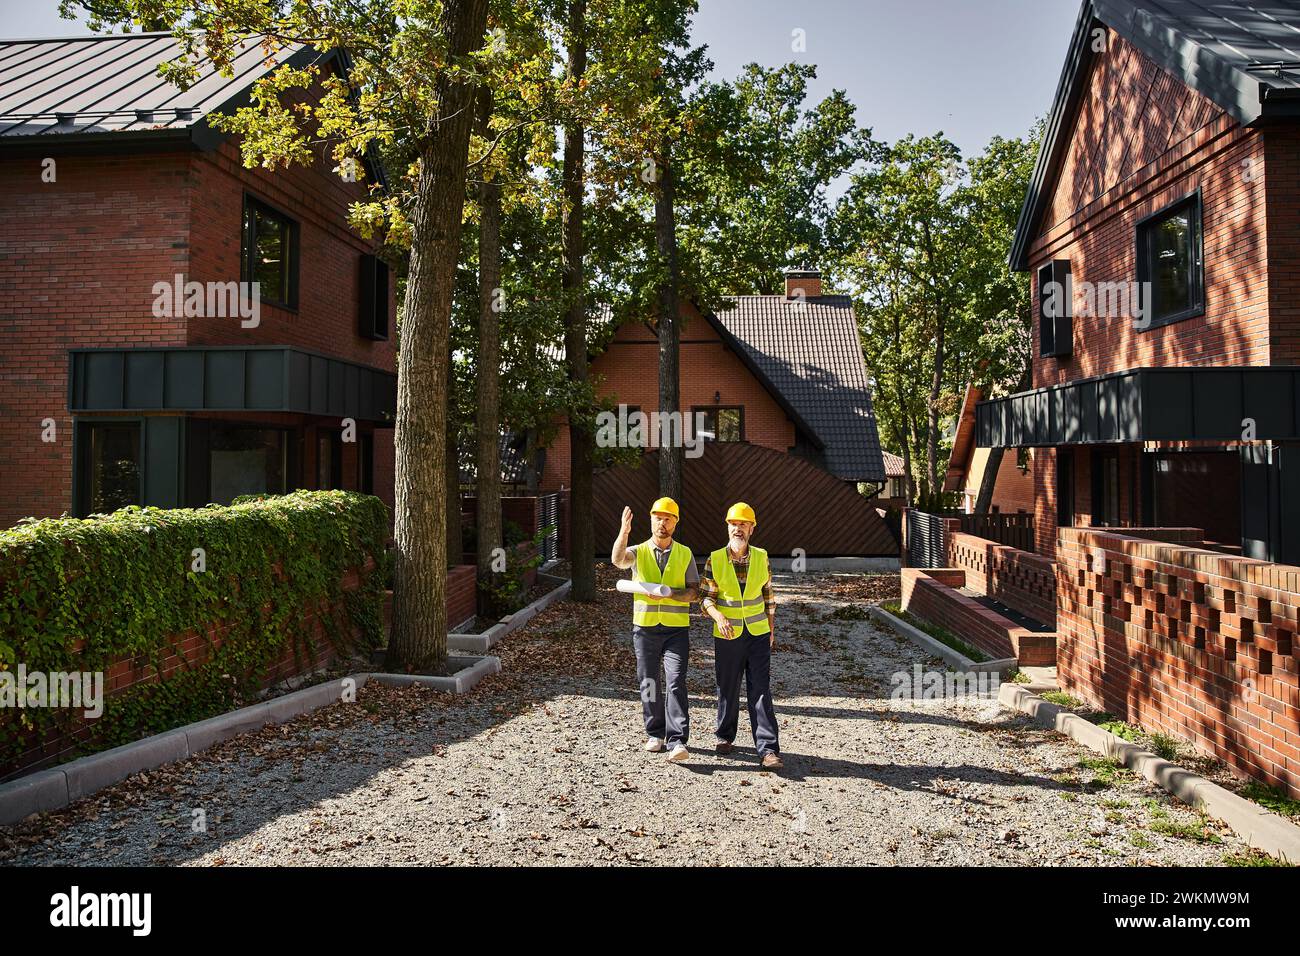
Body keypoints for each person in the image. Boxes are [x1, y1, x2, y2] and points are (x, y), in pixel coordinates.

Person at [610, 497, 698, 762]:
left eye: (668, 518)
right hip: (645, 628)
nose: (663, 523)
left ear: (675, 523)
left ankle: (678, 740)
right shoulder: (638, 551)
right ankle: (655, 733)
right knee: (648, 682)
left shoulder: (685, 553)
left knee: (675, 682)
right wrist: (623, 533)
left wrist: (671, 594)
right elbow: (617, 560)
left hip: (675, 630)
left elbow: (694, 592)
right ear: (651, 520)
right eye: (658, 517)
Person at [699, 502, 782, 771]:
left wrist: (770, 629)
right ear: (728, 526)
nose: (738, 528)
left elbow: (768, 596)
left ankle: (768, 749)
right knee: (728, 686)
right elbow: (706, 598)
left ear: (752, 528)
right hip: (728, 634)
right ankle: (725, 736)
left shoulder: (761, 556)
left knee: (760, 689)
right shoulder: (715, 558)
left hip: (758, 634)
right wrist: (719, 617)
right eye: (734, 524)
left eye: (743, 524)